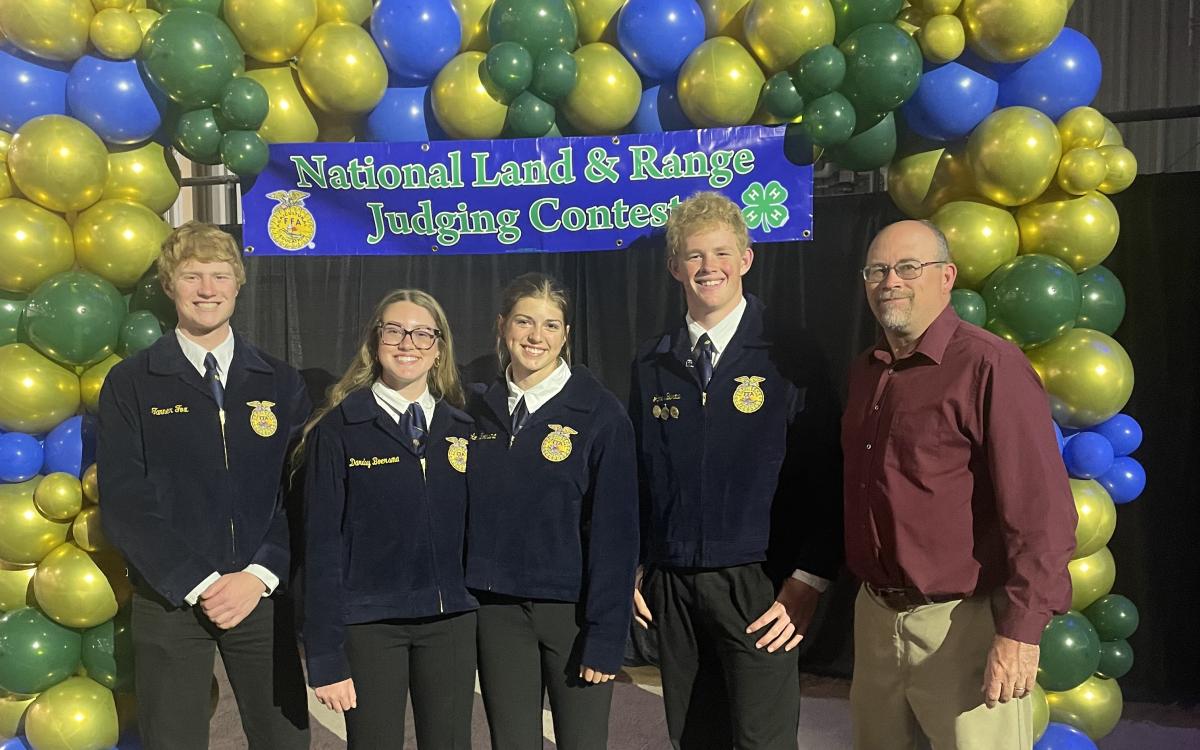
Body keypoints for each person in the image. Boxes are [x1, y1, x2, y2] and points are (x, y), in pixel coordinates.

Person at [844, 220, 1077, 749]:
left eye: (908, 268)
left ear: (946, 277)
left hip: (962, 626)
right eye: (877, 270)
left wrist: (1019, 632)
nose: (890, 282)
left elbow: (1042, 513)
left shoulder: (990, 366)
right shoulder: (867, 372)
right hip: (877, 619)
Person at [630, 191, 843, 749]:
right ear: (675, 266)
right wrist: (635, 565)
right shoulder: (651, 362)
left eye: (722, 253)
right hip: (673, 585)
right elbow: (638, 476)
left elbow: (827, 474)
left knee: (761, 741)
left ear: (746, 259)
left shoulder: (789, 352)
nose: (709, 268)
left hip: (761, 587)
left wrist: (808, 580)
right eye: (695, 256)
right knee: (694, 738)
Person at [97, 221, 310, 749]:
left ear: (239, 284)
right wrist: (198, 581)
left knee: (284, 739)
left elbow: (301, 494)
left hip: (259, 595)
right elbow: (125, 499)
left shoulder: (280, 382)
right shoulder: (131, 383)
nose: (207, 290)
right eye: (192, 276)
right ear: (169, 287)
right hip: (171, 599)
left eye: (219, 275)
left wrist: (259, 574)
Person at [464, 272, 640, 750]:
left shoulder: (601, 415)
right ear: (502, 326)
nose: (536, 337)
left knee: (581, 741)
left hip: (573, 615)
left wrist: (606, 636)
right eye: (524, 321)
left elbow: (616, 535)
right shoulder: (472, 408)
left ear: (567, 334)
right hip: (497, 611)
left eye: (550, 325)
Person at [298, 289, 477, 747]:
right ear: (375, 342)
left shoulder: (463, 430)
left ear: (439, 348)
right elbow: (320, 548)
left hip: (450, 621)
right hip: (369, 627)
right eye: (394, 330)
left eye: (422, 333)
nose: (407, 343)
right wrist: (325, 656)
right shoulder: (339, 430)